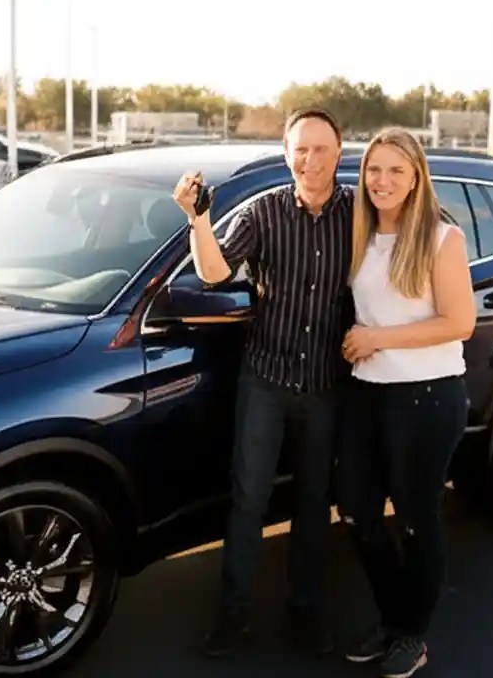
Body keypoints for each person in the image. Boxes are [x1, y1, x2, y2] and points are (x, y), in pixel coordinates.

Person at [172, 107, 355, 658]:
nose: (310, 160)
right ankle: (234, 618)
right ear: (287, 154)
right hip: (267, 381)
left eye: (321, 149)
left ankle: (306, 614)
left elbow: (409, 244)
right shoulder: (265, 212)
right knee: (248, 501)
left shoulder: (361, 213)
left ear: (338, 155)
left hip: (327, 384)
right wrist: (197, 219)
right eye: (300, 149)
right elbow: (213, 272)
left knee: (312, 502)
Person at [337, 127, 476, 678]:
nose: (383, 180)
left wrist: (378, 338)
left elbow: (459, 322)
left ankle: (412, 634)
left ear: (417, 176)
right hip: (366, 395)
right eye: (374, 169)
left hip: (426, 397)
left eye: (396, 170)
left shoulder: (442, 239)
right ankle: (393, 619)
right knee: (357, 511)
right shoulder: (361, 233)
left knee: (417, 520)